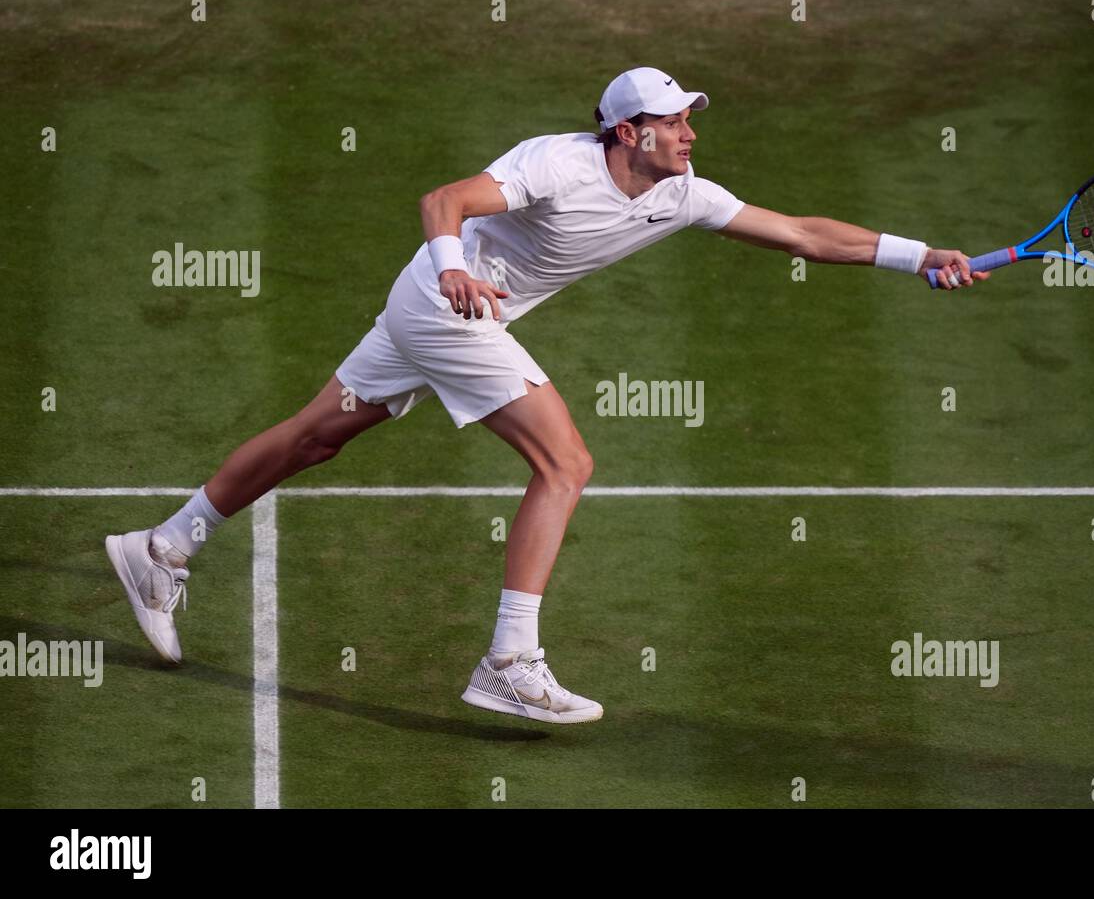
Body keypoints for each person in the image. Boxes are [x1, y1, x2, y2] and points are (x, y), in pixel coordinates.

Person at [106, 66, 988, 726]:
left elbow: (799, 231)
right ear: (628, 130)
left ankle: (164, 545)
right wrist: (455, 273)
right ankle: (510, 660)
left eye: (688, 120)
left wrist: (921, 255)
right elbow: (445, 198)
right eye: (674, 121)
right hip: (444, 303)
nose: (689, 132)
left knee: (314, 437)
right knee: (565, 461)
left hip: (435, 307)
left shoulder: (683, 192)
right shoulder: (556, 166)